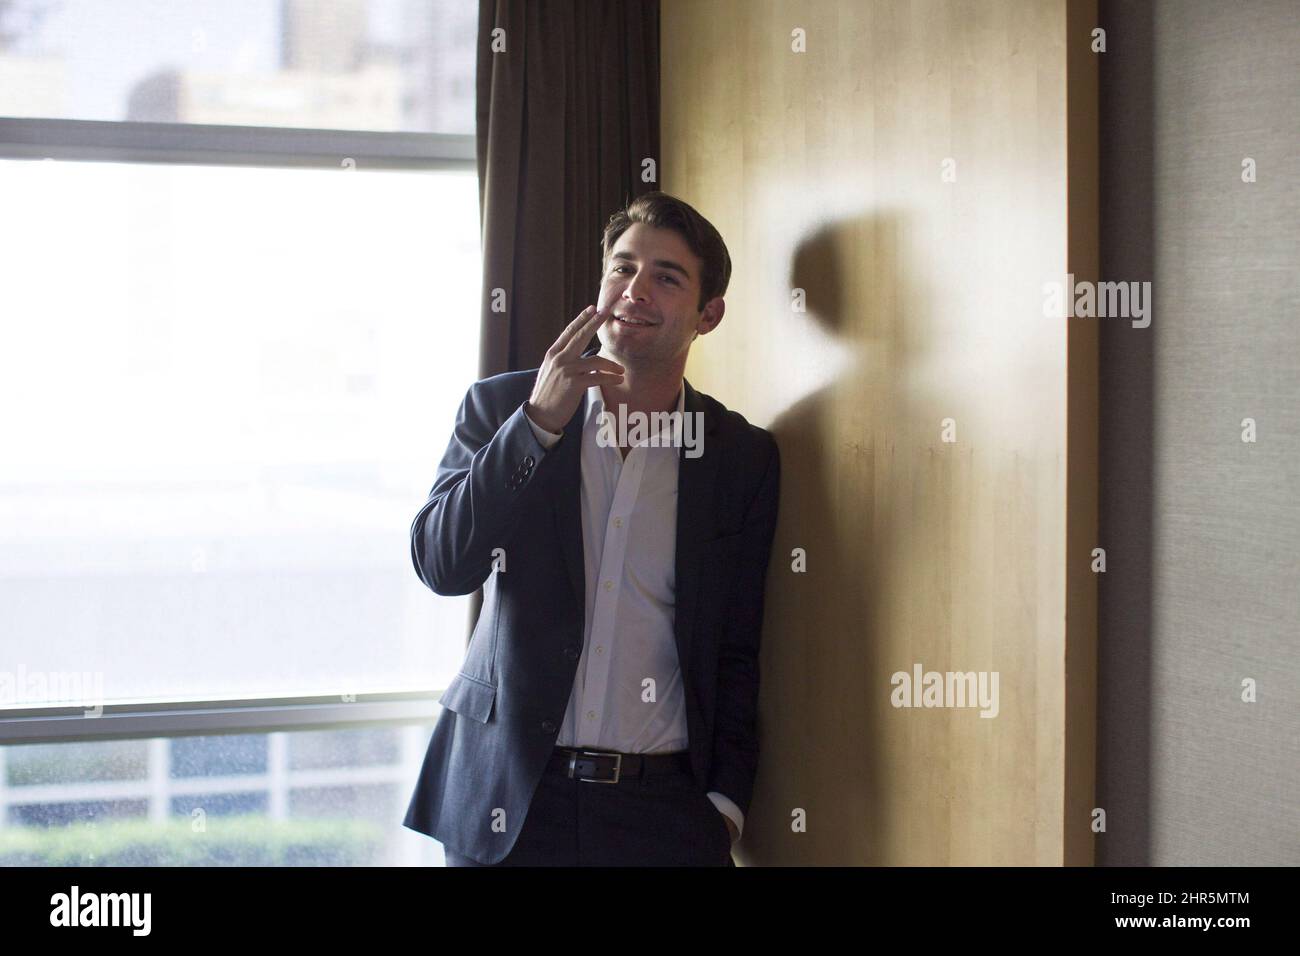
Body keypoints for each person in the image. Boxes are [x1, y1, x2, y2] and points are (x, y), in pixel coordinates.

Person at [402, 191, 781, 866]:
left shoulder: (740, 457)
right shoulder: (500, 408)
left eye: (667, 277)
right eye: (622, 268)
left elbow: (738, 648)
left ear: (709, 314)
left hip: (662, 815)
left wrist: (724, 806)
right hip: (510, 804)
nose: (635, 290)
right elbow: (442, 564)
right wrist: (535, 429)